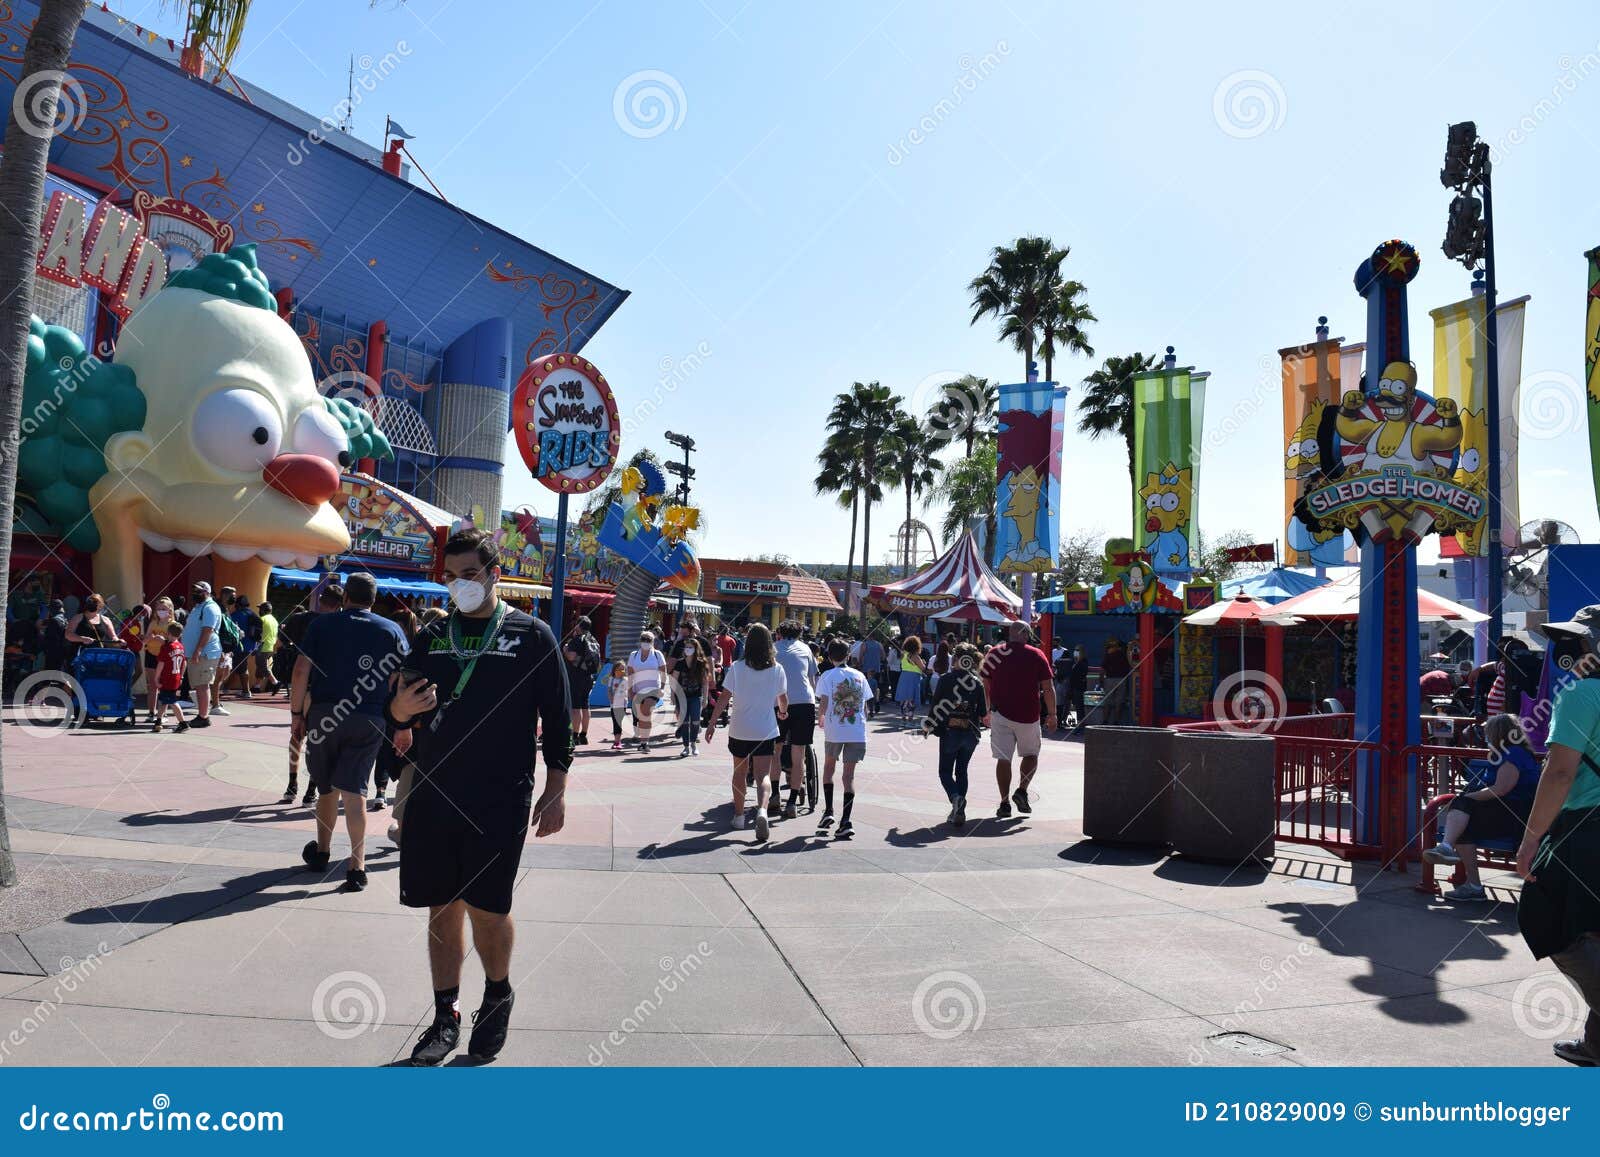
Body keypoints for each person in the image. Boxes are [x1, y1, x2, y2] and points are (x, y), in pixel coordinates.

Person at [386, 528, 570, 1066]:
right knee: (441, 907)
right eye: (451, 577)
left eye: (469, 575)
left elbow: (558, 720)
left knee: (487, 908)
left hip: (500, 795)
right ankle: (445, 1016)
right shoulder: (433, 634)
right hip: (434, 791)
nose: (458, 585)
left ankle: (497, 993)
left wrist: (556, 790)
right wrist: (397, 714)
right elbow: (392, 705)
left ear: (493, 573)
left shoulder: (532, 635)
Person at [1517, 606, 1600, 1067]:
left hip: (1587, 826)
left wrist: (1531, 840)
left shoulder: (1581, 694)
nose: (1569, 649)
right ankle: (1596, 1045)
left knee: (1545, 916)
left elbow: (1561, 771)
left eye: (1579, 641)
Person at [291, 573, 408, 893]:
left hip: (325, 714)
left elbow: (301, 670)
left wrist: (296, 714)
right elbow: (399, 680)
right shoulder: (392, 630)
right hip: (369, 717)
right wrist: (399, 722)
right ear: (373, 599)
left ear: (345, 597)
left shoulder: (321, 625)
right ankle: (357, 866)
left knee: (326, 788)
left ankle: (322, 852)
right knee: (355, 792)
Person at [1423, 714, 1541, 900]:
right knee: (1463, 820)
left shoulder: (1513, 753)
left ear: (1497, 733)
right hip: (1505, 810)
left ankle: (1451, 853)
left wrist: (1468, 797)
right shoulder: (1506, 752)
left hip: (1516, 814)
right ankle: (1468, 878)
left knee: (1462, 806)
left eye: (1487, 732)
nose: (1484, 736)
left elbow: (1501, 789)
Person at [706, 622, 788, 842]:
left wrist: (713, 722)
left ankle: (739, 816)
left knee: (739, 772)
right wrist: (783, 712)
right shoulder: (777, 668)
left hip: (740, 729)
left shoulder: (737, 668)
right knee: (763, 775)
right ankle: (762, 810)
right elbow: (782, 699)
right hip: (766, 729)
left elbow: (724, 697)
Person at [276, 581, 344, 804]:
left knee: (296, 736)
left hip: (300, 686)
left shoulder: (300, 619)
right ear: (339, 605)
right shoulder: (338, 626)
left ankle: (291, 784)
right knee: (318, 741)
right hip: (323, 689)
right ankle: (311, 789)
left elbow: (280, 641)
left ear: (321, 601)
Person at [982, 621, 1057, 818]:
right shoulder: (1036, 654)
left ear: (1010, 633)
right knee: (1031, 754)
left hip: (1000, 714)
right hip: (1029, 715)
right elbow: (1048, 688)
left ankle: (1004, 803)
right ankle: (1022, 791)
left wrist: (987, 709)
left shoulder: (994, 653)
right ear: (1027, 634)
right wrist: (1052, 714)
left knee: (1003, 758)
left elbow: (985, 683)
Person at [924, 642, 988, 827]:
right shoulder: (977, 683)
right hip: (970, 734)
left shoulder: (945, 679)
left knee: (945, 771)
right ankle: (958, 810)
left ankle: (955, 798)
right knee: (962, 771)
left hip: (949, 732)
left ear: (958, 659)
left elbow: (935, 706)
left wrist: (928, 725)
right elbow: (983, 712)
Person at [773, 619, 819, 818]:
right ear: (799, 634)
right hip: (804, 702)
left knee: (776, 749)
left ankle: (774, 793)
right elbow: (812, 679)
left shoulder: (773, 649)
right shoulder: (806, 649)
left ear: (780, 633)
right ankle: (792, 801)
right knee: (799, 752)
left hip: (778, 701)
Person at [179, 581, 224, 728]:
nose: (194, 593)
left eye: (198, 591)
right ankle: (202, 715)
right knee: (199, 685)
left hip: (205, 653)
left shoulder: (210, 608)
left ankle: (203, 717)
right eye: (193, 590)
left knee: (202, 685)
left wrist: (197, 650)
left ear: (207, 592)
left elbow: (207, 631)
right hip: (195, 653)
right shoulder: (198, 607)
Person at [671, 631, 714, 757]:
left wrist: (705, 698)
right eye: (686, 647)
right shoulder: (680, 663)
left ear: (695, 649)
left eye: (691, 647)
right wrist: (673, 696)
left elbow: (705, 683)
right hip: (682, 697)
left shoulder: (701, 663)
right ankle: (685, 747)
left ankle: (693, 744)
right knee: (684, 721)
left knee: (695, 721)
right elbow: (674, 680)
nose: (688, 649)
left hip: (696, 696)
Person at [562, 616, 602, 745]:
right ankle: (584, 735)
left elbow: (571, 657)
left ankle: (574, 736)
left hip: (576, 677)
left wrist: (565, 649)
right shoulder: (593, 639)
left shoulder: (577, 640)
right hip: (588, 677)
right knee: (585, 706)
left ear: (578, 626)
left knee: (575, 708)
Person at [626, 631, 667, 752]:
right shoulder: (633, 655)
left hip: (653, 689)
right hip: (638, 690)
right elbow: (630, 674)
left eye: (648, 640)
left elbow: (663, 672)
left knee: (645, 713)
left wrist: (662, 688)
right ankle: (643, 741)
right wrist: (630, 691)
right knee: (641, 716)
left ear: (653, 642)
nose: (646, 642)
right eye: (643, 639)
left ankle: (645, 742)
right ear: (640, 641)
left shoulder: (657, 655)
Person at [141, 598, 176, 722]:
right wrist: (148, 638)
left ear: (170, 610)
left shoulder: (172, 625)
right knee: (152, 685)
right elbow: (144, 640)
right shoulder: (153, 623)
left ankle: (163, 714)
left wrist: (164, 641)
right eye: (159, 609)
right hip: (151, 654)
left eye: (164, 609)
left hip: (165, 657)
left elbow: (176, 643)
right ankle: (151, 713)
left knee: (164, 685)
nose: (161, 611)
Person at [151, 622, 189, 734]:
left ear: (168, 633)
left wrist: (156, 678)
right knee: (163, 700)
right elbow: (184, 663)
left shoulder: (166, 647)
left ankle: (183, 723)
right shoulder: (181, 647)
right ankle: (158, 722)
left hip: (167, 678)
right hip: (176, 677)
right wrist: (181, 676)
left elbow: (161, 664)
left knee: (172, 701)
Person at [63, 593, 117, 659]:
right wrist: (82, 639)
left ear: (101, 605)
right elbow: (68, 635)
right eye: (91, 601)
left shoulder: (106, 620)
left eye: (95, 602)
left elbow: (113, 637)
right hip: (81, 657)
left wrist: (119, 641)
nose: (92, 604)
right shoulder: (78, 618)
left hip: (100, 657)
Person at [229, 594, 263, 699]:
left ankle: (246, 691)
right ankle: (244, 690)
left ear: (237, 605)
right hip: (251, 646)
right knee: (241, 667)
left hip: (238, 646)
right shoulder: (252, 614)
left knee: (239, 668)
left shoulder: (235, 615)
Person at [850, 633, 885, 718]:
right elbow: (883, 656)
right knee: (875, 687)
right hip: (876, 668)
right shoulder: (879, 644)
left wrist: (859, 664)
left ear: (868, 636)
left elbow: (861, 655)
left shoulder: (864, 644)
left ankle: (869, 707)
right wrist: (878, 660)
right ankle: (876, 701)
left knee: (866, 688)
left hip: (866, 668)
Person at [1100, 638, 1133, 725]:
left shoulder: (1108, 655)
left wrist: (1101, 680)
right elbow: (1130, 666)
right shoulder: (1124, 655)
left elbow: (1103, 669)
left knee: (1108, 701)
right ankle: (1116, 721)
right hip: (1121, 679)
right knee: (1119, 701)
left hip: (1109, 679)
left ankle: (1105, 720)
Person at [896, 635, 927, 722]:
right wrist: (924, 662)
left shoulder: (903, 654)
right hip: (913, 677)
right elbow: (923, 668)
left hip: (903, 676)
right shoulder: (915, 656)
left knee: (904, 695)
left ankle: (903, 714)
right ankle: (910, 715)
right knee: (912, 696)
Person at [255, 601, 280, 694]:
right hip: (271, 646)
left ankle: (275, 682)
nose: (259, 610)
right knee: (260, 666)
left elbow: (257, 633)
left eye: (260, 609)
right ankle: (257, 686)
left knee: (262, 665)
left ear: (263, 610)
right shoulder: (274, 620)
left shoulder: (262, 619)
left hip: (263, 645)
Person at [605, 660, 630, 752]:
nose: (621, 671)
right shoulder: (611, 679)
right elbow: (609, 690)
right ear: (614, 670)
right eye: (619, 669)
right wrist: (611, 698)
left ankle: (618, 741)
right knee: (615, 722)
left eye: (623, 669)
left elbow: (628, 691)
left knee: (618, 722)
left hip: (622, 704)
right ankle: (616, 741)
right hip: (613, 705)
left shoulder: (626, 680)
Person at [39, 598, 68, 673]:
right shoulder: (65, 620)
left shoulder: (54, 621)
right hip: (62, 652)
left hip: (52, 653)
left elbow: (50, 639)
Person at [1067, 646, 1089, 735]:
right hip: (1075, 687)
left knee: (1080, 708)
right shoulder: (1076, 662)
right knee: (1077, 707)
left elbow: (1080, 675)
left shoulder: (1083, 663)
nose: (1075, 652)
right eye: (1075, 650)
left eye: (1077, 650)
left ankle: (1080, 727)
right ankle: (1079, 726)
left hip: (1079, 688)